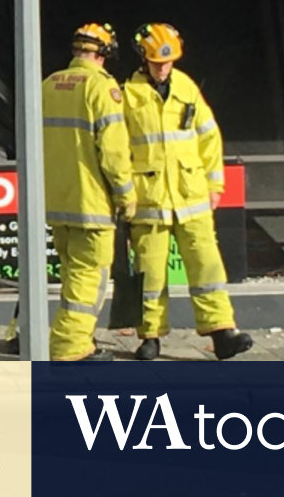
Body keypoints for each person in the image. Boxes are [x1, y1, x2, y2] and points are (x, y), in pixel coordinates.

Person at [123, 23, 252, 360]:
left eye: (167, 62)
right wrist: (125, 194)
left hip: (191, 196)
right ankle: (150, 336)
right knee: (149, 273)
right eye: (156, 62)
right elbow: (119, 149)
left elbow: (209, 137)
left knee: (207, 266)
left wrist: (215, 185)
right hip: (150, 199)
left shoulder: (186, 87)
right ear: (143, 59)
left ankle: (222, 331)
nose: (163, 68)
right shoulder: (128, 94)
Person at [41, 23, 137, 361]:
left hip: (55, 200)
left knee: (71, 274)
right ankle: (71, 348)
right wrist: (126, 196)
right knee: (88, 279)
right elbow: (112, 153)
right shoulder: (102, 88)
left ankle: (75, 339)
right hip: (91, 202)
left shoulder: (48, 84)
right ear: (104, 54)